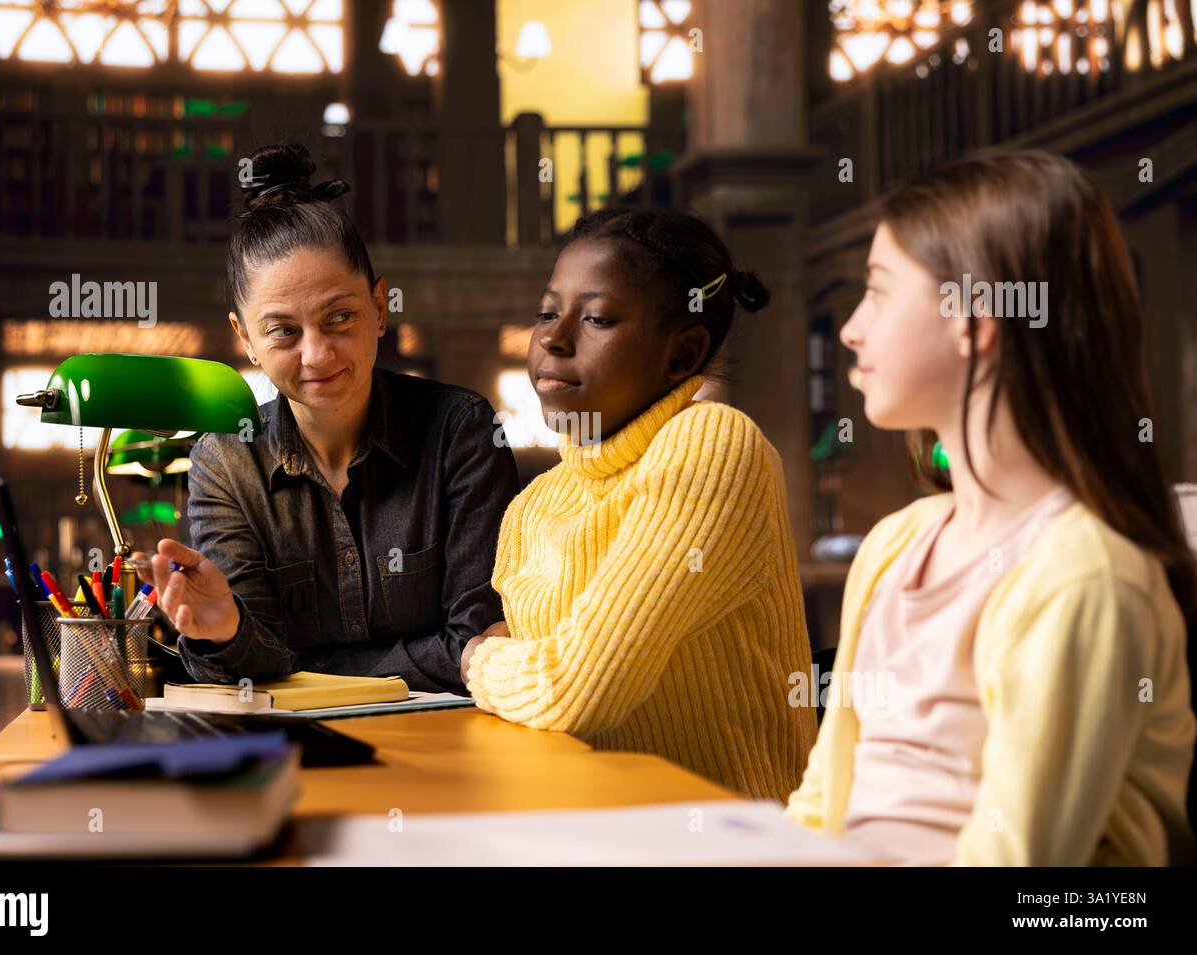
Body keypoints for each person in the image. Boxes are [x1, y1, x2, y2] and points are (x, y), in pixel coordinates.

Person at [786, 151, 1197, 865]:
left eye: (878, 293)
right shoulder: (895, 542)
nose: (852, 329)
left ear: (974, 320)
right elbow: (823, 803)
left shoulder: (1084, 574)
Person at [133, 143, 519, 694]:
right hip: (293, 751)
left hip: (454, 747)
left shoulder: (460, 430)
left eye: (340, 317)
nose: (318, 355)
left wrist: (289, 664)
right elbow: (240, 665)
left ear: (380, 309)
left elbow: (482, 647)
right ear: (245, 339)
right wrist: (227, 631)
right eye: (283, 331)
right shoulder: (226, 458)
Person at [459, 208, 817, 800]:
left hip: (726, 844)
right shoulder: (536, 503)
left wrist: (475, 660)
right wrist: (513, 663)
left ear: (682, 355)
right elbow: (544, 692)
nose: (553, 337)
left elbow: (575, 690)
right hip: (580, 822)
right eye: (548, 312)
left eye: (596, 318)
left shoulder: (713, 443)